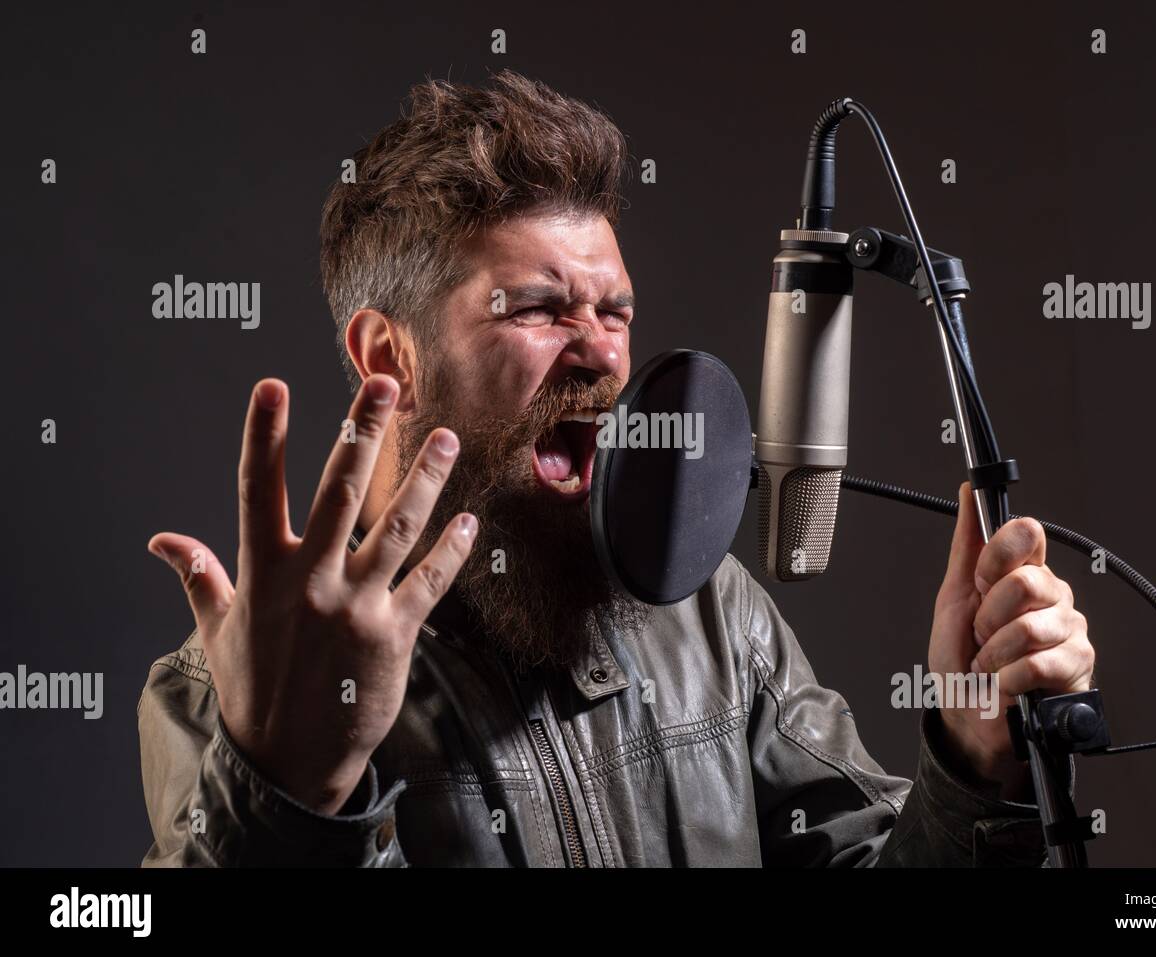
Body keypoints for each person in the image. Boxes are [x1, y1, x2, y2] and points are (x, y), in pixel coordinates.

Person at [138, 70, 1094, 867]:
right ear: (391, 356)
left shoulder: (715, 618)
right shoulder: (235, 688)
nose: (601, 354)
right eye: (540, 309)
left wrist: (971, 763)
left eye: (616, 312)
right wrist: (290, 792)